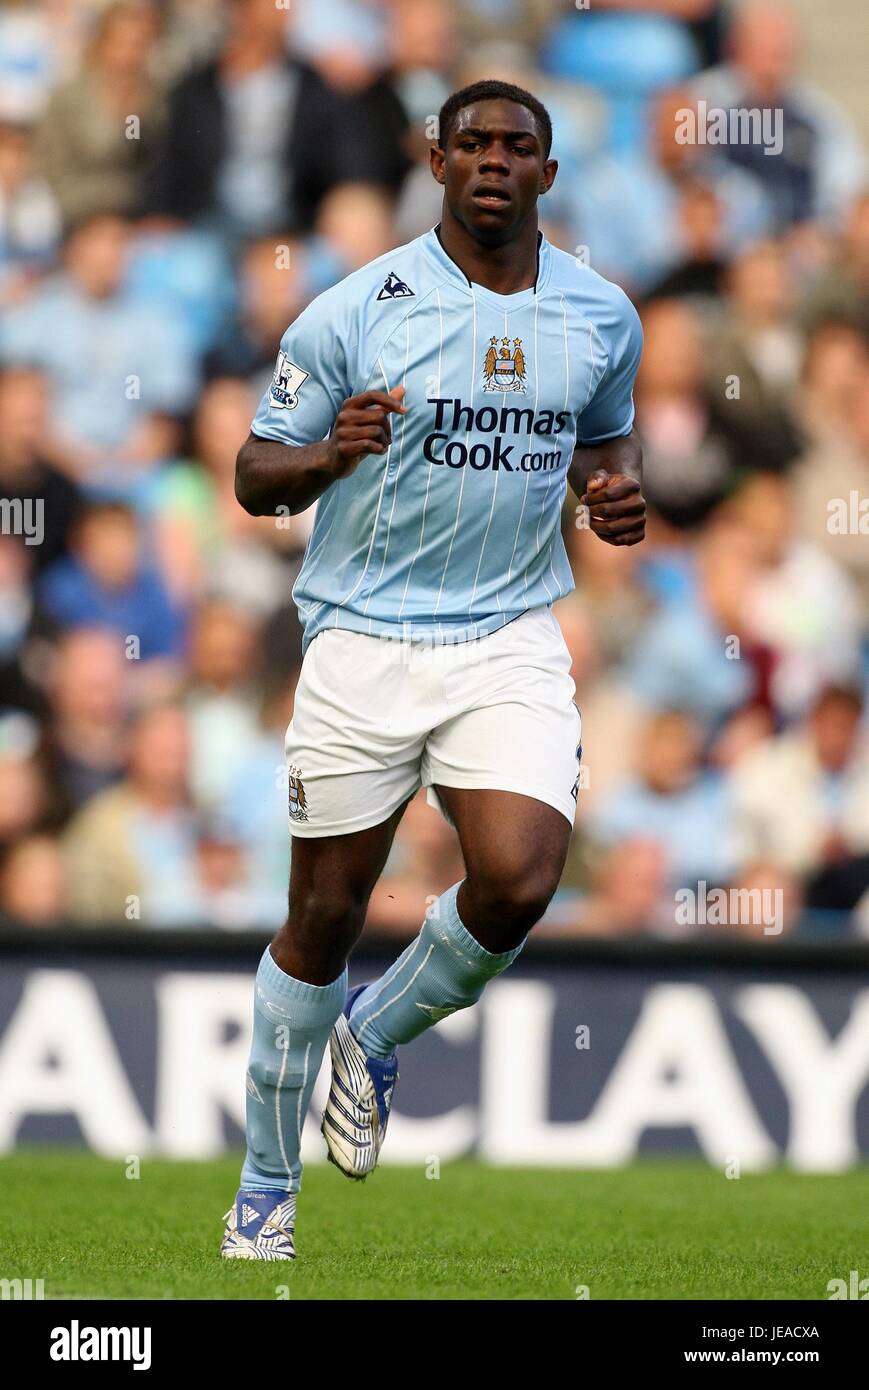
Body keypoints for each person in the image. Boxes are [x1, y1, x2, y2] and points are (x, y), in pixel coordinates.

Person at [220, 79, 645, 1260]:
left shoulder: (601, 315)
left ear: (547, 173)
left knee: (518, 877)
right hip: (362, 637)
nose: (493, 161)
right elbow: (252, 474)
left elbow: (604, 437)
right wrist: (325, 454)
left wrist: (611, 492)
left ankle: (374, 1031)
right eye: (472, 144)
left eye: (516, 147)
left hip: (506, 634)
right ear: (435, 161)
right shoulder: (357, 307)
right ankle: (264, 1187)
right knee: (323, 914)